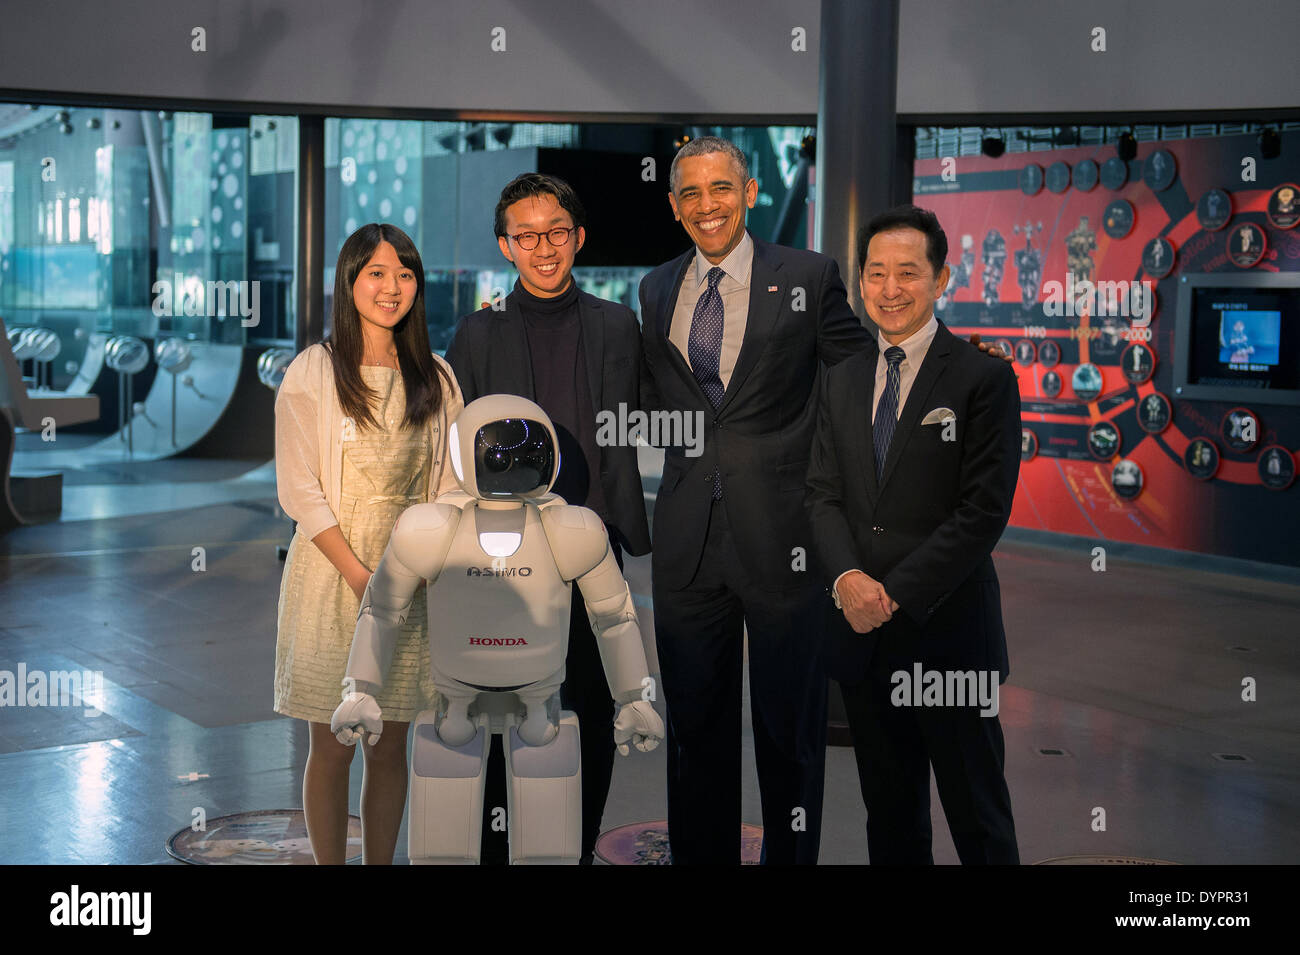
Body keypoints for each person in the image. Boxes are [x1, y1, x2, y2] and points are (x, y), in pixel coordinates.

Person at [636, 136, 873, 865]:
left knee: (788, 728)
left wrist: (955, 365)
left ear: (749, 192)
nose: (707, 205)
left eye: (720, 189)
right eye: (692, 193)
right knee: (695, 726)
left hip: (784, 539)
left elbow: (865, 366)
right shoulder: (655, 287)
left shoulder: (806, 275)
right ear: (675, 207)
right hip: (686, 538)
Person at [806, 204, 1021, 864]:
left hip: (948, 639)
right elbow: (820, 494)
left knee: (978, 819)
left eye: (908, 272)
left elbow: (980, 514)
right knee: (892, 823)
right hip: (865, 646)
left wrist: (891, 593)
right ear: (861, 282)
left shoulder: (982, 377)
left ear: (941, 278)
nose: (890, 288)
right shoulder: (839, 379)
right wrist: (846, 579)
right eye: (876, 273)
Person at [444, 173, 650, 865]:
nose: (543, 247)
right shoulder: (476, 334)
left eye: (556, 232)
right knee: (503, 718)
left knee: (589, 716)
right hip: (504, 560)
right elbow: (452, 446)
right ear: (506, 245)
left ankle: (577, 850)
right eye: (526, 236)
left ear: (579, 237)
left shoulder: (618, 325)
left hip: (591, 550)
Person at [273, 223, 463, 864]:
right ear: (350, 280)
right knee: (331, 741)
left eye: (405, 274)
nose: (392, 287)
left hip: (410, 583)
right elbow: (300, 491)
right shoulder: (314, 371)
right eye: (377, 273)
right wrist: (359, 576)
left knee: (391, 743)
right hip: (334, 576)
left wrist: (417, 572)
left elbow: (448, 485)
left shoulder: (435, 376)